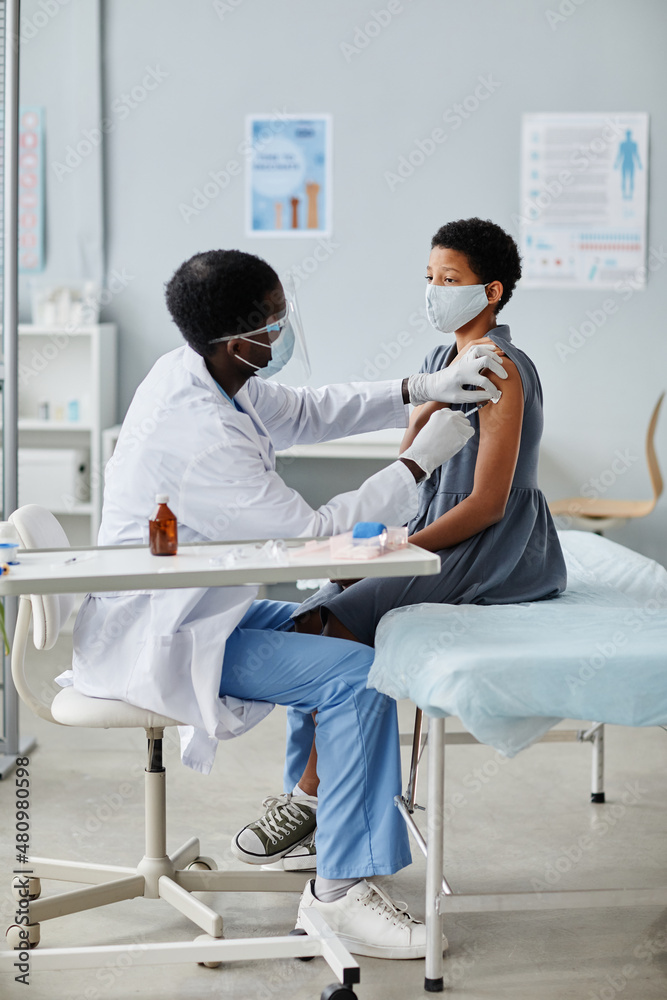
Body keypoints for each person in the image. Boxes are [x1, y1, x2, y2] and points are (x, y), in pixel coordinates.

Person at [70, 248, 505, 959]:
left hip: (196, 609)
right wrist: (418, 462)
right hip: (161, 632)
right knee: (357, 682)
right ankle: (338, 895)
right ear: (239, 340)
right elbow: (315, 536)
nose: (284, 328)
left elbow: (304, 410)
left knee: (330, 633)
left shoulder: (206, 373)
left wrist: (422, 384)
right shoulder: (201, 433)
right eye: (275, 321)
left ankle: (311, 815)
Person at [235, 217, 567, 874]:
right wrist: (390, 532)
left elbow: (487, 503)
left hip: (486, 543)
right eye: (429, 279)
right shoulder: (435, 364)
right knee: (312, 615)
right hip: (430, 527)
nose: (435, 292)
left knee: (338, 617)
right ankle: (314, 799)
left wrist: (403, 548)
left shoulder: (501, 367)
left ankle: (306, 801)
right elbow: (411, 457)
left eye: (451, 281)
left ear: (491, 291)